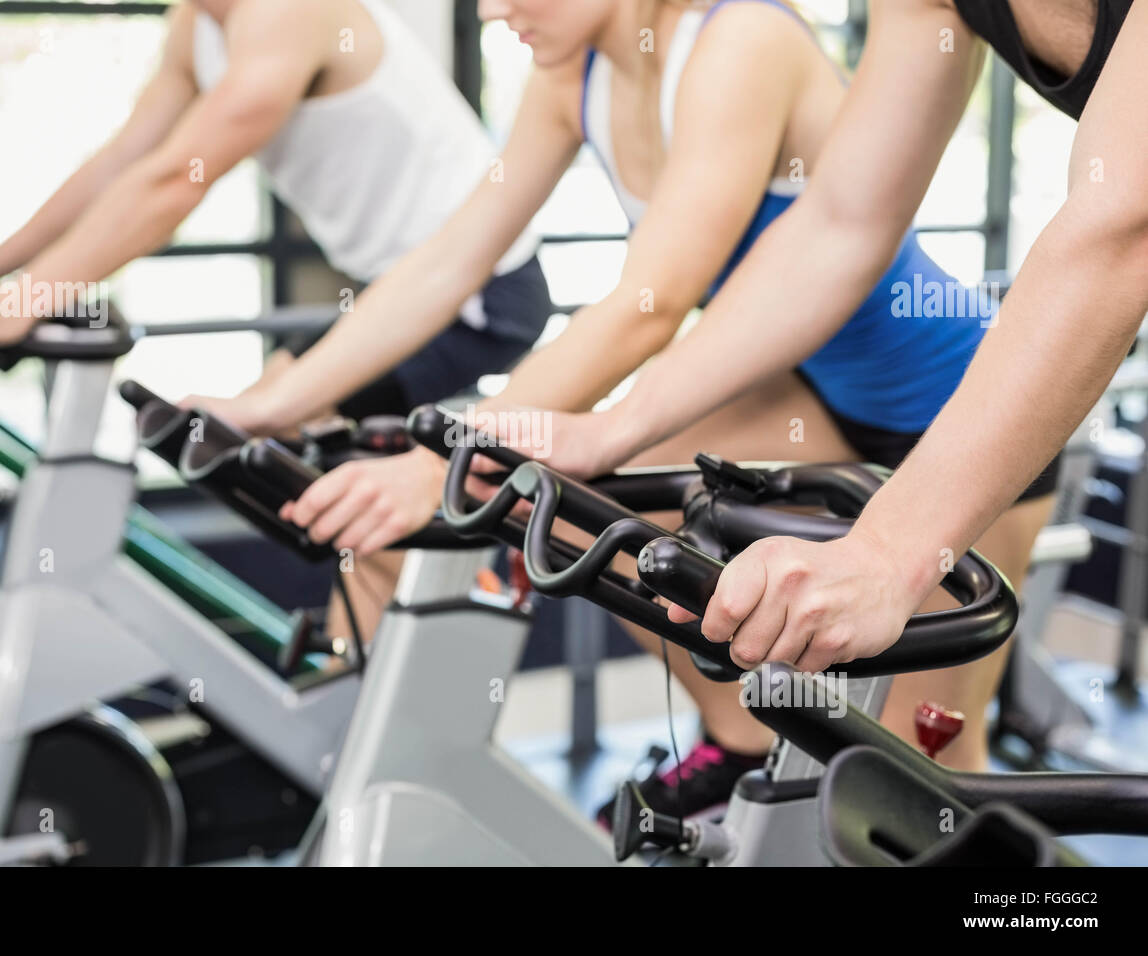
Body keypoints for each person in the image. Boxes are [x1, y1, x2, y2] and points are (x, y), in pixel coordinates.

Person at [268, 0, 1054, 822]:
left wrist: (444, 463)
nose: (496, 10)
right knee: (575, 508)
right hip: (797, 392)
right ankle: (738, 741)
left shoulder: (739, 39)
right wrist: (272, 401)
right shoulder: (571, 68)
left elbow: (652, 304)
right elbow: (450, 260)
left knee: (924, 755)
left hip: (947, 416)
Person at [0, 0, 551, 426]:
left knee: (302, 441)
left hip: (478, 293)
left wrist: (25, 298)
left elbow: (177, 183)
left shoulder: (286, 14)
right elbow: (127, 160)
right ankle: (362, 642)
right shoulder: (198, 21)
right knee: (336, 501)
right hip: (396, 288)